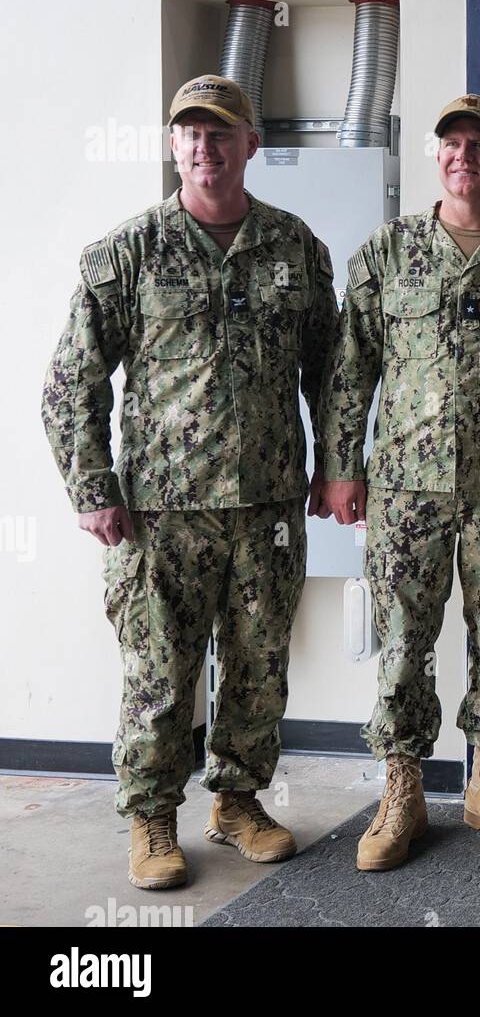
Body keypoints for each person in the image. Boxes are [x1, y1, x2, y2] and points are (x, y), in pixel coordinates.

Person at [42, 74, 338, 890]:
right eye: (189, 132)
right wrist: (92, 484)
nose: (205, 146)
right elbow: (72, 381)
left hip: (268, 502)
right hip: (159, 512)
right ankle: (151, 818)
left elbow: (334, 370)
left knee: (257, 663)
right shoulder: (128, 251)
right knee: (159, 671)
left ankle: (238, 802)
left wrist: (337, 463)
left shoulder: (294, 247)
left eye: (221, 132)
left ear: (249, 145)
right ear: (173, 145)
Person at [319, 94, 480, 870]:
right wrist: (340, 465)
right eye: (450, 144)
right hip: (405, 487)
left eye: (479, 144)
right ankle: (401, 793)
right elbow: (348, 370)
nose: (462, 155)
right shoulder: (387, 251)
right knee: (405, 642)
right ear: (435, 158)